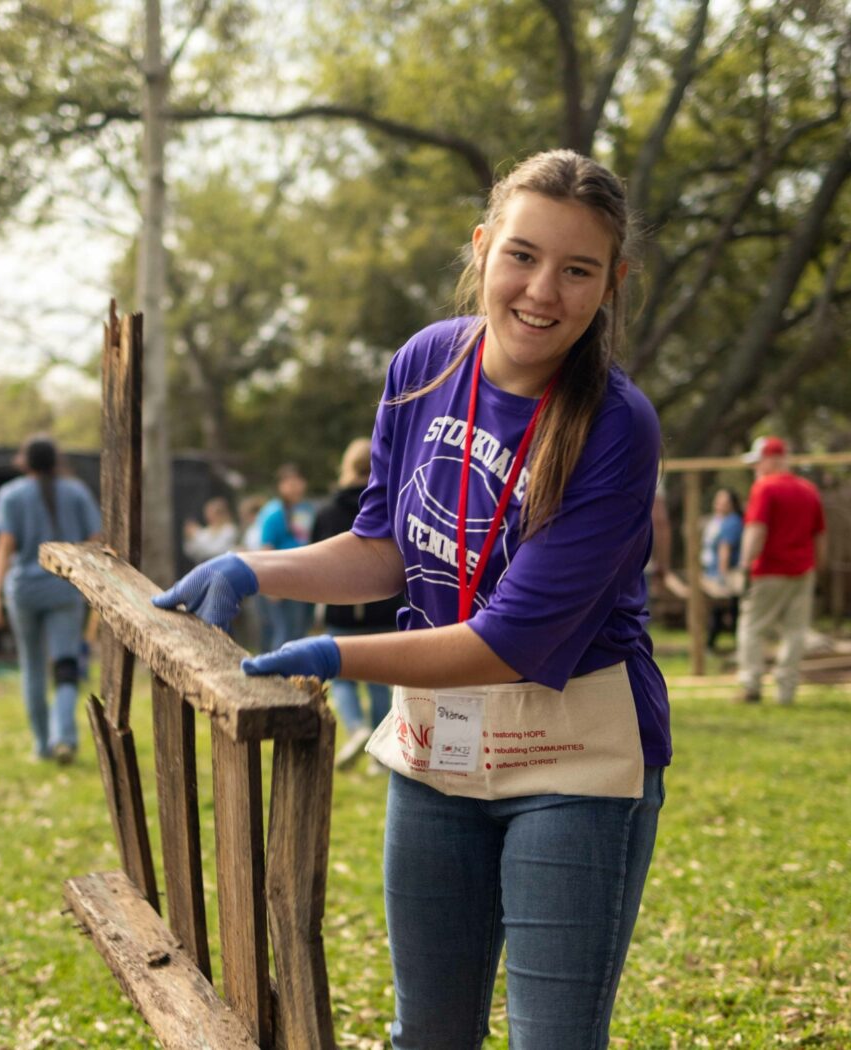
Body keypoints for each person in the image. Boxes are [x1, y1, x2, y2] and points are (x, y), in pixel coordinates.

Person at [154, 149, 669, 1049]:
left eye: (578, 269)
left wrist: (330, 655)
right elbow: (384, 547)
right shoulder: (427, 362)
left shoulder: (617, 426)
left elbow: (506, 642)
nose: (543, 291)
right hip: (437, 752)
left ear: (613, 283)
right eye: (522, 255)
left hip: (571, 762)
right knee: (426, 1035)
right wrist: (256, 565)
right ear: (481, 248)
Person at [0, 435, 102, 763]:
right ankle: (64, 736)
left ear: (24, 462)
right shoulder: (76, 491)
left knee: (32, 667)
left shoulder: (10, 495)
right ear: (56, 460)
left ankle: (41, 745)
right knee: (66, 664)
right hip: (65, 589)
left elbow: (4, 549)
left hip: (23, 591)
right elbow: (96, 541)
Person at [310, 438, 405, 768]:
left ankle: (356, 727)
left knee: (343, 676)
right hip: (385, 608)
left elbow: (317, 558)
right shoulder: (394, 503)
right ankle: (380, 753)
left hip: (343, 610)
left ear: (346, 467)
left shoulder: (327, 511)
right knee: (380, 682)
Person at [734, 435, 826, 704]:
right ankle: (786, 692)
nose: (755, 468)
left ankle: (751, 685)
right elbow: (820, 536)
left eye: (758, 462)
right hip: (803, 571)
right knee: (794, 631)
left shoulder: (764, 488)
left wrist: (745, 564)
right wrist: (817, 567)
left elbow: (756, 530)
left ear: (772, 459)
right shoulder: (809, 489)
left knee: (752, 628)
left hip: (768, 571)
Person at [254, 464, 314, 650]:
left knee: (300, 630)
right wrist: (271, 585)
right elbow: (266, 548)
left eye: (298, 480)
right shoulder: (273, 512)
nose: (295, 486)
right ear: (281, 485)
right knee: (284, 632)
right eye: (289, 481)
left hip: (305, 579)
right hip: (281, 579)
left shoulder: (307, 509)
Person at [701, 487, 744, 651]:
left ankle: (732, 646)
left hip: (726, 574)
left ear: (732, 504)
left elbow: (725, 549)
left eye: (723, 502)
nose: (718, 504)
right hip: (713, 572)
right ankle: (712, 644)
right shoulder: (717, 520)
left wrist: (722, 575)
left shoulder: (732, 521)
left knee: (728, 610)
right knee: (719, 611)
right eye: (717, 501)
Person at [183, 497, 239, 566]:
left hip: (223, 565)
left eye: (211, 512)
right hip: (204, 565)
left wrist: (196, 535)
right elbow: (191, 552)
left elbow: (217, 550)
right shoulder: (205, 531)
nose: (208, 516)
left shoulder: (229, 529)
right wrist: (189, 538)